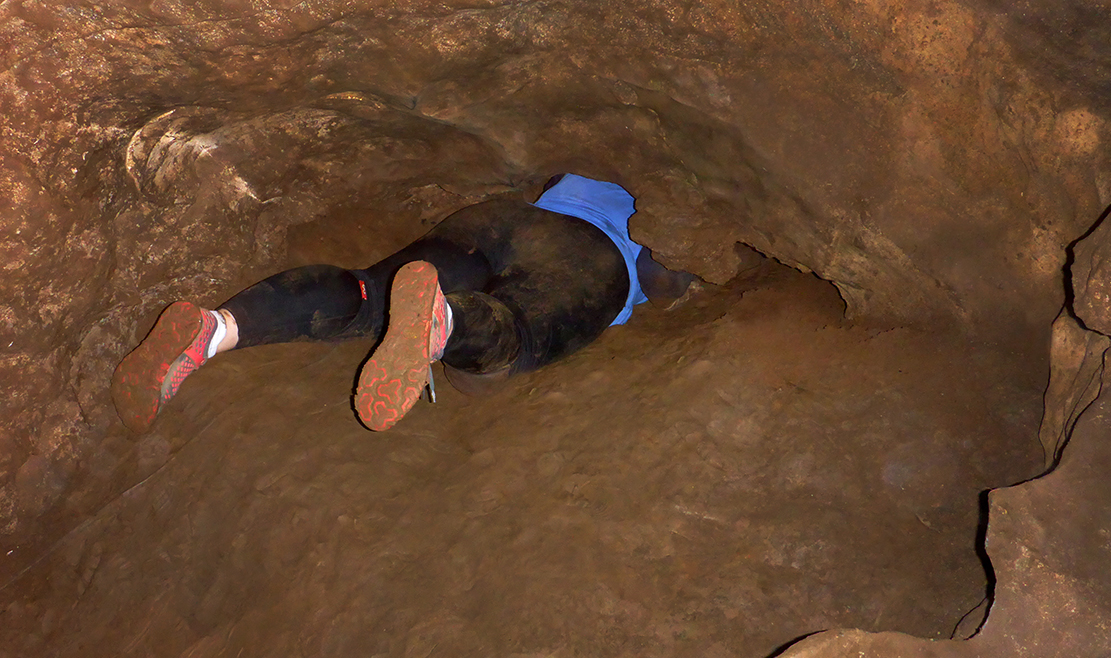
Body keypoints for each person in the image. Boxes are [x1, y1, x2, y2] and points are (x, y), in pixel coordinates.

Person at [111, 174, 696, 434]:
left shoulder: (592, 160)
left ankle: (216, 330)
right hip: (592, 254)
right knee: (517, 333)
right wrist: (680, 279)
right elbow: (660, 265)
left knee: (370, 294)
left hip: (499, 221)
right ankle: (442, 323)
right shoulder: (685, 193)